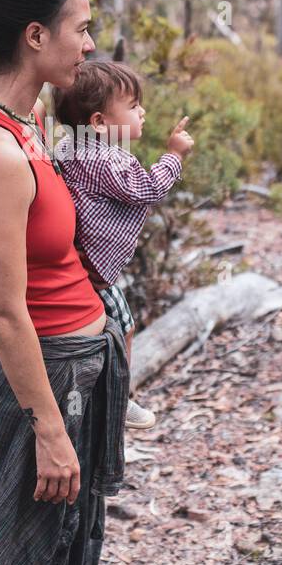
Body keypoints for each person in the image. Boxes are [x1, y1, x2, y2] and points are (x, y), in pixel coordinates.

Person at [0, 0, 129, 565]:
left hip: (81, 364)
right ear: (34, 35)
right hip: (44, 377)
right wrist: (48, 428)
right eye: (81, 29)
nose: (89, 45)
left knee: (67, 550)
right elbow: (3, 312)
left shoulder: (30, 120)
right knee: (20, 562)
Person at [50, 60, 195, 430]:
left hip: (78, 257)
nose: (142, 112)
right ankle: (120, 396)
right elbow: (148, 189)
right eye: (133, 107)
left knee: (106, 330)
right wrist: (174, 155)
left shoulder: (69, 147)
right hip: (94, 267)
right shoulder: (106, 158)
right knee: (124, 326)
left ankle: (106, 394)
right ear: (99, 122)